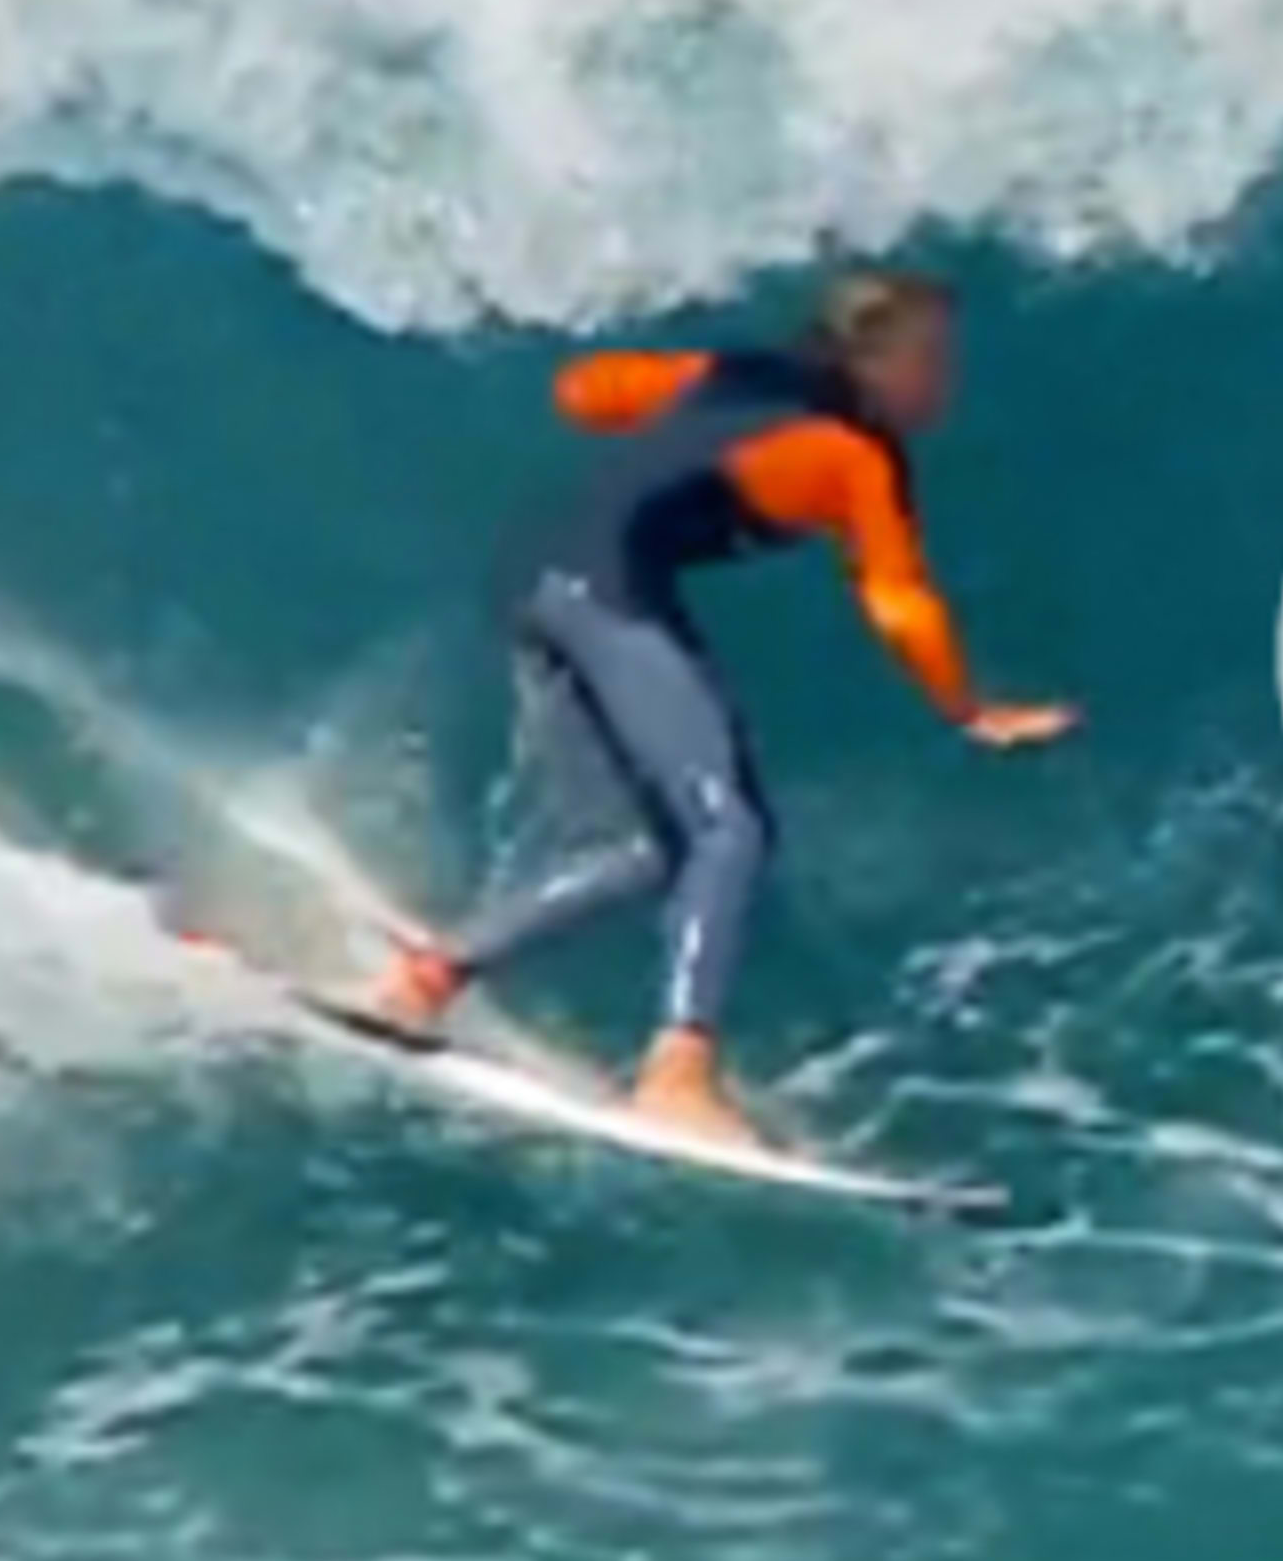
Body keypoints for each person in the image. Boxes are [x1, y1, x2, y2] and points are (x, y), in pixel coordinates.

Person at [345, 268, 1075, 1142]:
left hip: (530, 575)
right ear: (875, 363)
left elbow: (585, 393)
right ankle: (678, 1074)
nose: (942, 381)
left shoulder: (736, 376)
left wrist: (651, 408)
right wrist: (968, 708)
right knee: (730, 829)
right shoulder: (854, 455)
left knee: (639, 848)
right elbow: (898, 598)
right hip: (608, 590)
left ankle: (427, 979)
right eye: (930, 359)